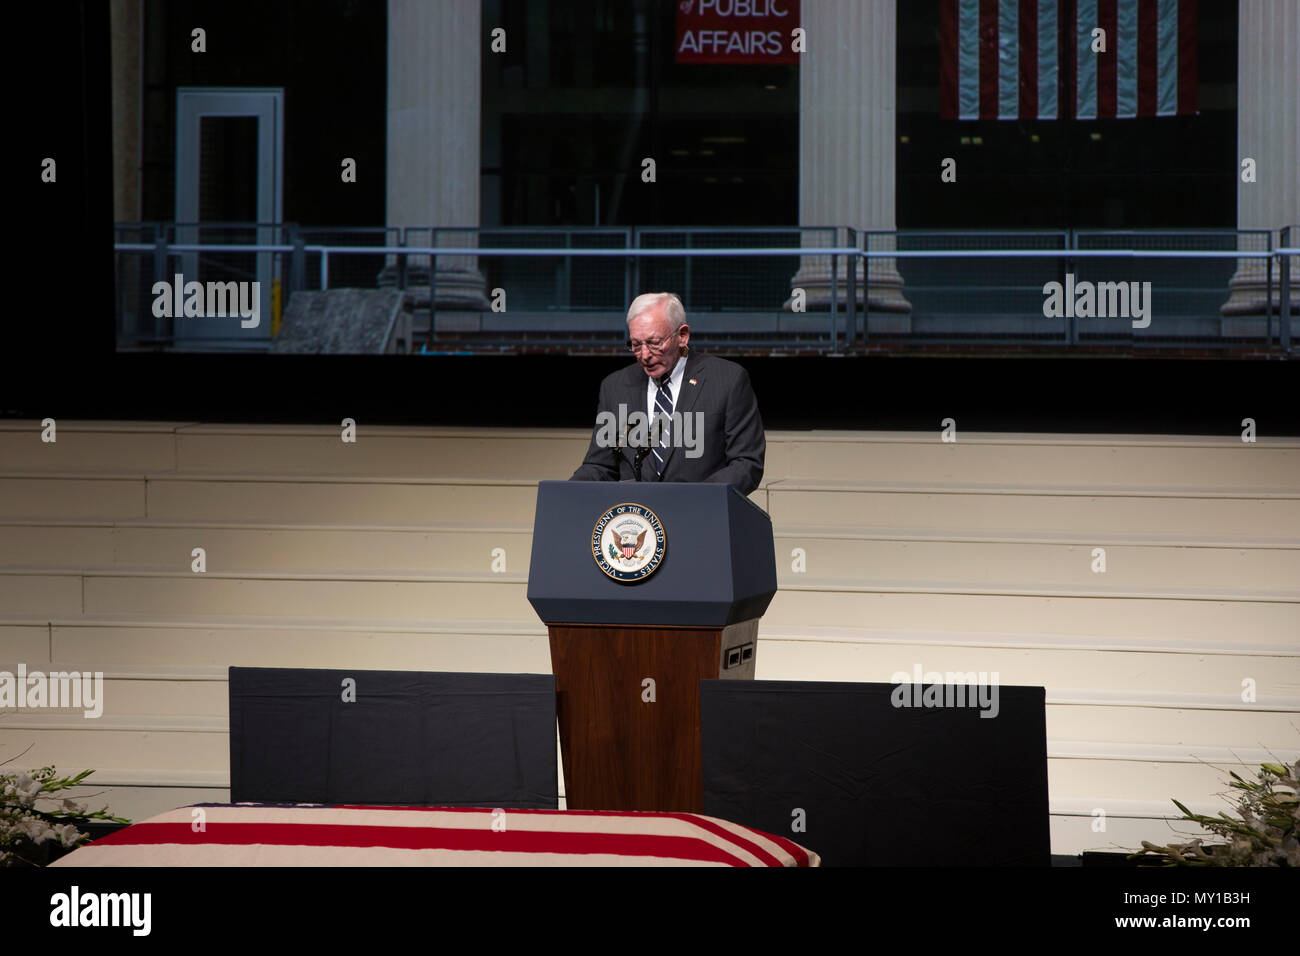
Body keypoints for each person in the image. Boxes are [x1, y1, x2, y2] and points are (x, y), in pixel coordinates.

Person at [570, 292, 765, 495]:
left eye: (654, 343)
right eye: (636, 345)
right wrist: (563, 494)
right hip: (637, 519)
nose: (644, 355)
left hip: (702, 515)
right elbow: (601, 467)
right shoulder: (615, 387)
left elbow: (746, 464)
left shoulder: (727, 380)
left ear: (682, 336)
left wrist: (696, 499)